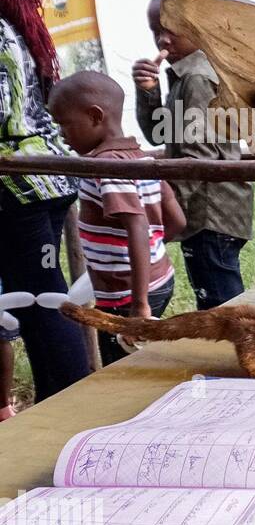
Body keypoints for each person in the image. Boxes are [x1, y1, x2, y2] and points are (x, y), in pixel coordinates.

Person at [0, 0, 92, 402]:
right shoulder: (21, 25)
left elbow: (2, 115)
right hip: (46, 181)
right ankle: (58, 398)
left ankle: (69, 402)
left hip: (18, 185)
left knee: (36, 300)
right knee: (40, 295)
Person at [48, 72, 185, 366]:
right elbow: (176, 221)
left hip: (127, 295)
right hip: (158, 279)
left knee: (120, 367)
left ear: (95, 116)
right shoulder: (140, 158)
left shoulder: (107, 167)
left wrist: (139, 305)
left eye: (64, 124)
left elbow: (136, 224)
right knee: (143, 359)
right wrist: (154, 248)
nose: (61, 135)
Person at [132, 0, 252, 309]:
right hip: (212, 211)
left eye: (170, 28)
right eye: (155, 31)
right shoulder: (185, 76)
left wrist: (164, 212)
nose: (162, 40)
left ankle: (231, 358)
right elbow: (159, 135)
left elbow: (199, 157)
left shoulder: (198, 79)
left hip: (209, 211)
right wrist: (148, 92)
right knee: (218, 298)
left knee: (219, 306)